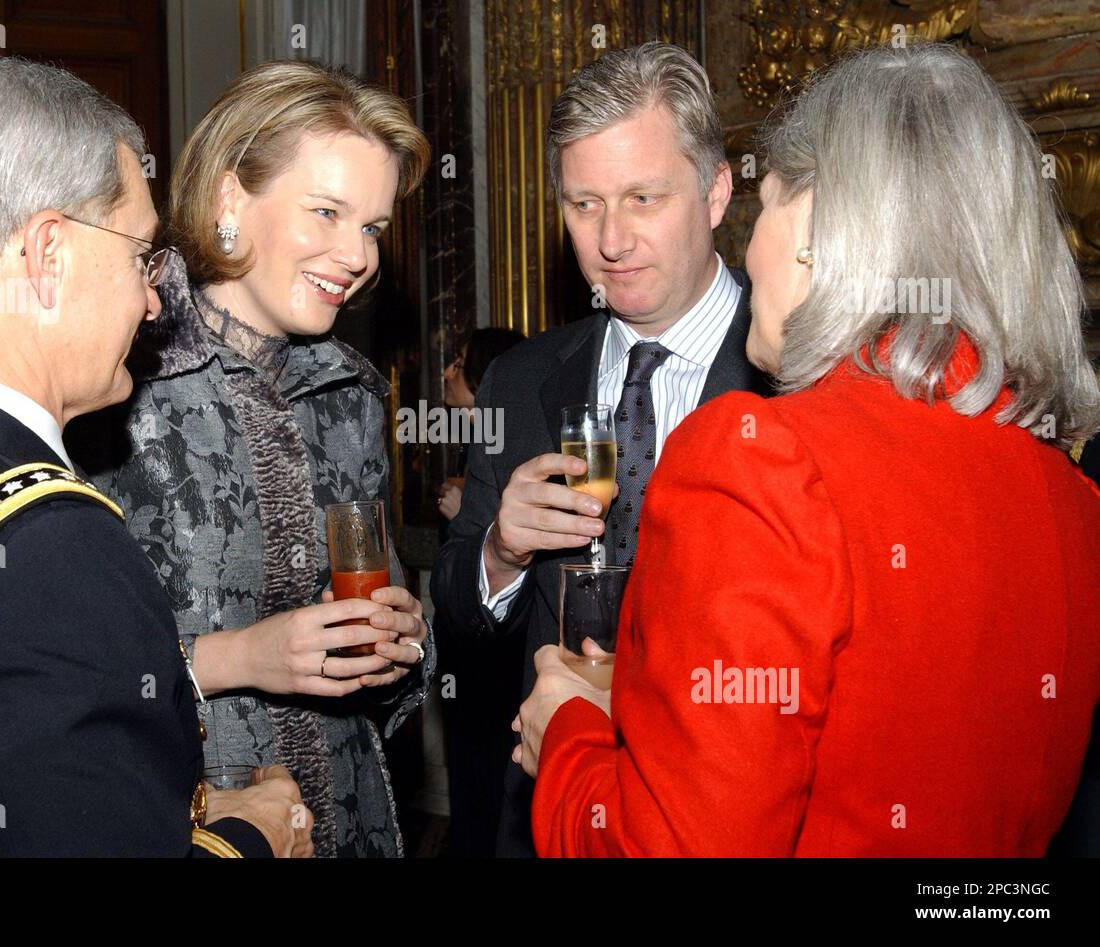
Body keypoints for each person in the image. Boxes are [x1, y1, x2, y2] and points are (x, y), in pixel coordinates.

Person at [519, 43, 1100, 856]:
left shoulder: (760, 458)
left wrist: (571, 737)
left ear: (823, 223)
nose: (751, 255)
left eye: (768, 206)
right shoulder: (1070, 497)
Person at [0, 57, 311, 858]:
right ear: (45, 254)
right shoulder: (44, 550)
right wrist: (252, 839)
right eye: (143, 255)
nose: (151, 301)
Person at [76, 59, 433, 858]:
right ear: (232, 199)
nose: (358, 254)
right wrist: (241, 656)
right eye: (328, 212)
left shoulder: (351, 394)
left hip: (352, 817)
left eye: (372, 226)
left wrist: (405, 640)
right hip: (196, 823)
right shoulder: (114, 385)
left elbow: (388, 635)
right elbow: (57, 668)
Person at [429, 41, 773, 857]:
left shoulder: (795, 368)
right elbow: (456, 610)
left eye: (642, 198)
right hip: (549, 814)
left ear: (717, 190)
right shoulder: (520, 381)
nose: (611, 239)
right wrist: (501, 552)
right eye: (584, 205)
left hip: (735, 811)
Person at [433, 325, 524, 856]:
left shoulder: (507, 436)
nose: (448, 372)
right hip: (464, 649)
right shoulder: (473, 441)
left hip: (498, 662)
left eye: (460, 362)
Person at [437, 327, 525, 521]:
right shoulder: (477, 440)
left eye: (459, 363)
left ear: (485, 372)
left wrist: (465, 515)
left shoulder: (512, 450)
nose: (446, 373)